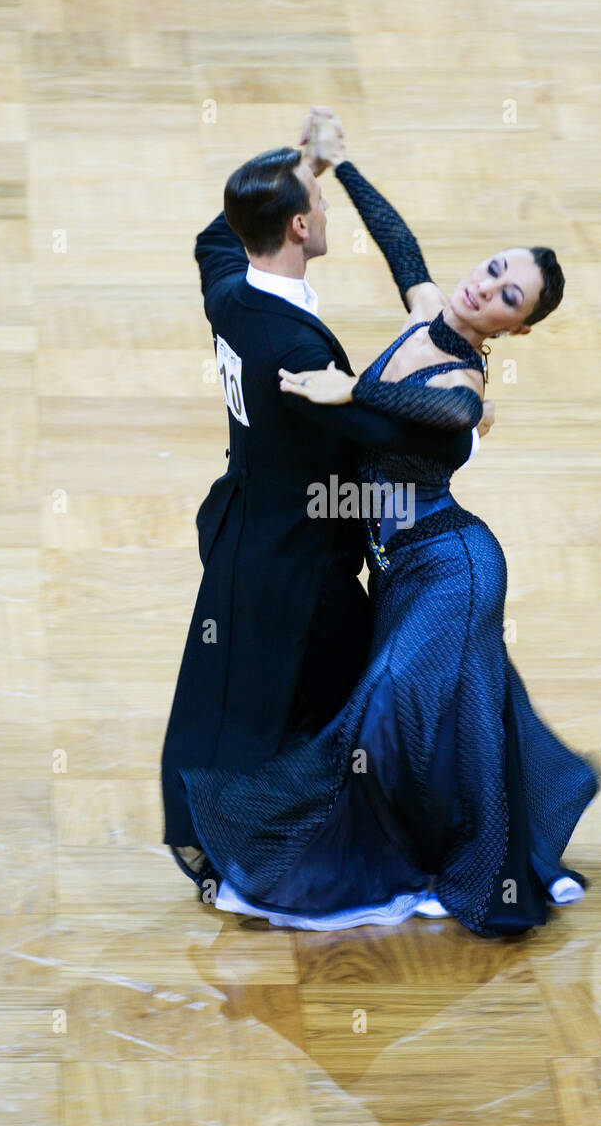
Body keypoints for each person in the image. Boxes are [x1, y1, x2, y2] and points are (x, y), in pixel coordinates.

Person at [178, 113, 599, 937]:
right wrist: (341, 167)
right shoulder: (430, 309)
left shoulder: (468, 387)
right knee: (458, 719)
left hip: (452, 569)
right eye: (493, 269)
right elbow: (398, 243)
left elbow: (439, 417)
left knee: (384, 720)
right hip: (401, 569)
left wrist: (353, 393)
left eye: (509, 296)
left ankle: (402, 874)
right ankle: (477, 853)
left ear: (515, 328)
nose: (487, 288)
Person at [161, 112, 478, 889]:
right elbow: (380, 430)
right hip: (301, 553)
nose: (328, 209)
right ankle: (296, 843)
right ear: (301, 226)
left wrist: (303, 161)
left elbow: (215, 237)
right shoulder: (296, 349)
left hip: (243, 523)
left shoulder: (231, 290)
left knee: (236, 688)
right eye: (319, 199)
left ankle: (218, 834)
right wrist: (460, 426)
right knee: (340, 693)